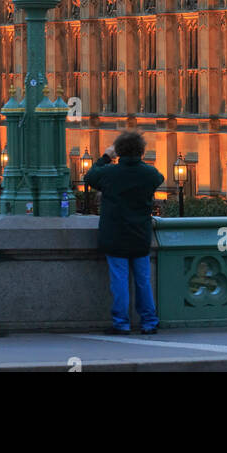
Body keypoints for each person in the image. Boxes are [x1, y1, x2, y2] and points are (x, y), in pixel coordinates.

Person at [84, 132, 165, 334]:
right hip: (140, 235)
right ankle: (149, 322)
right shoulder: (149, 174)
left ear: (118, 151)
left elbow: (90, 176)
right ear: (141, 151)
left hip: (115, 235)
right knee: (143, 281)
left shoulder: (109, 173)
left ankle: (121, 323)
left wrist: (106, 156)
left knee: (119, 281)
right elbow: (159, 178)